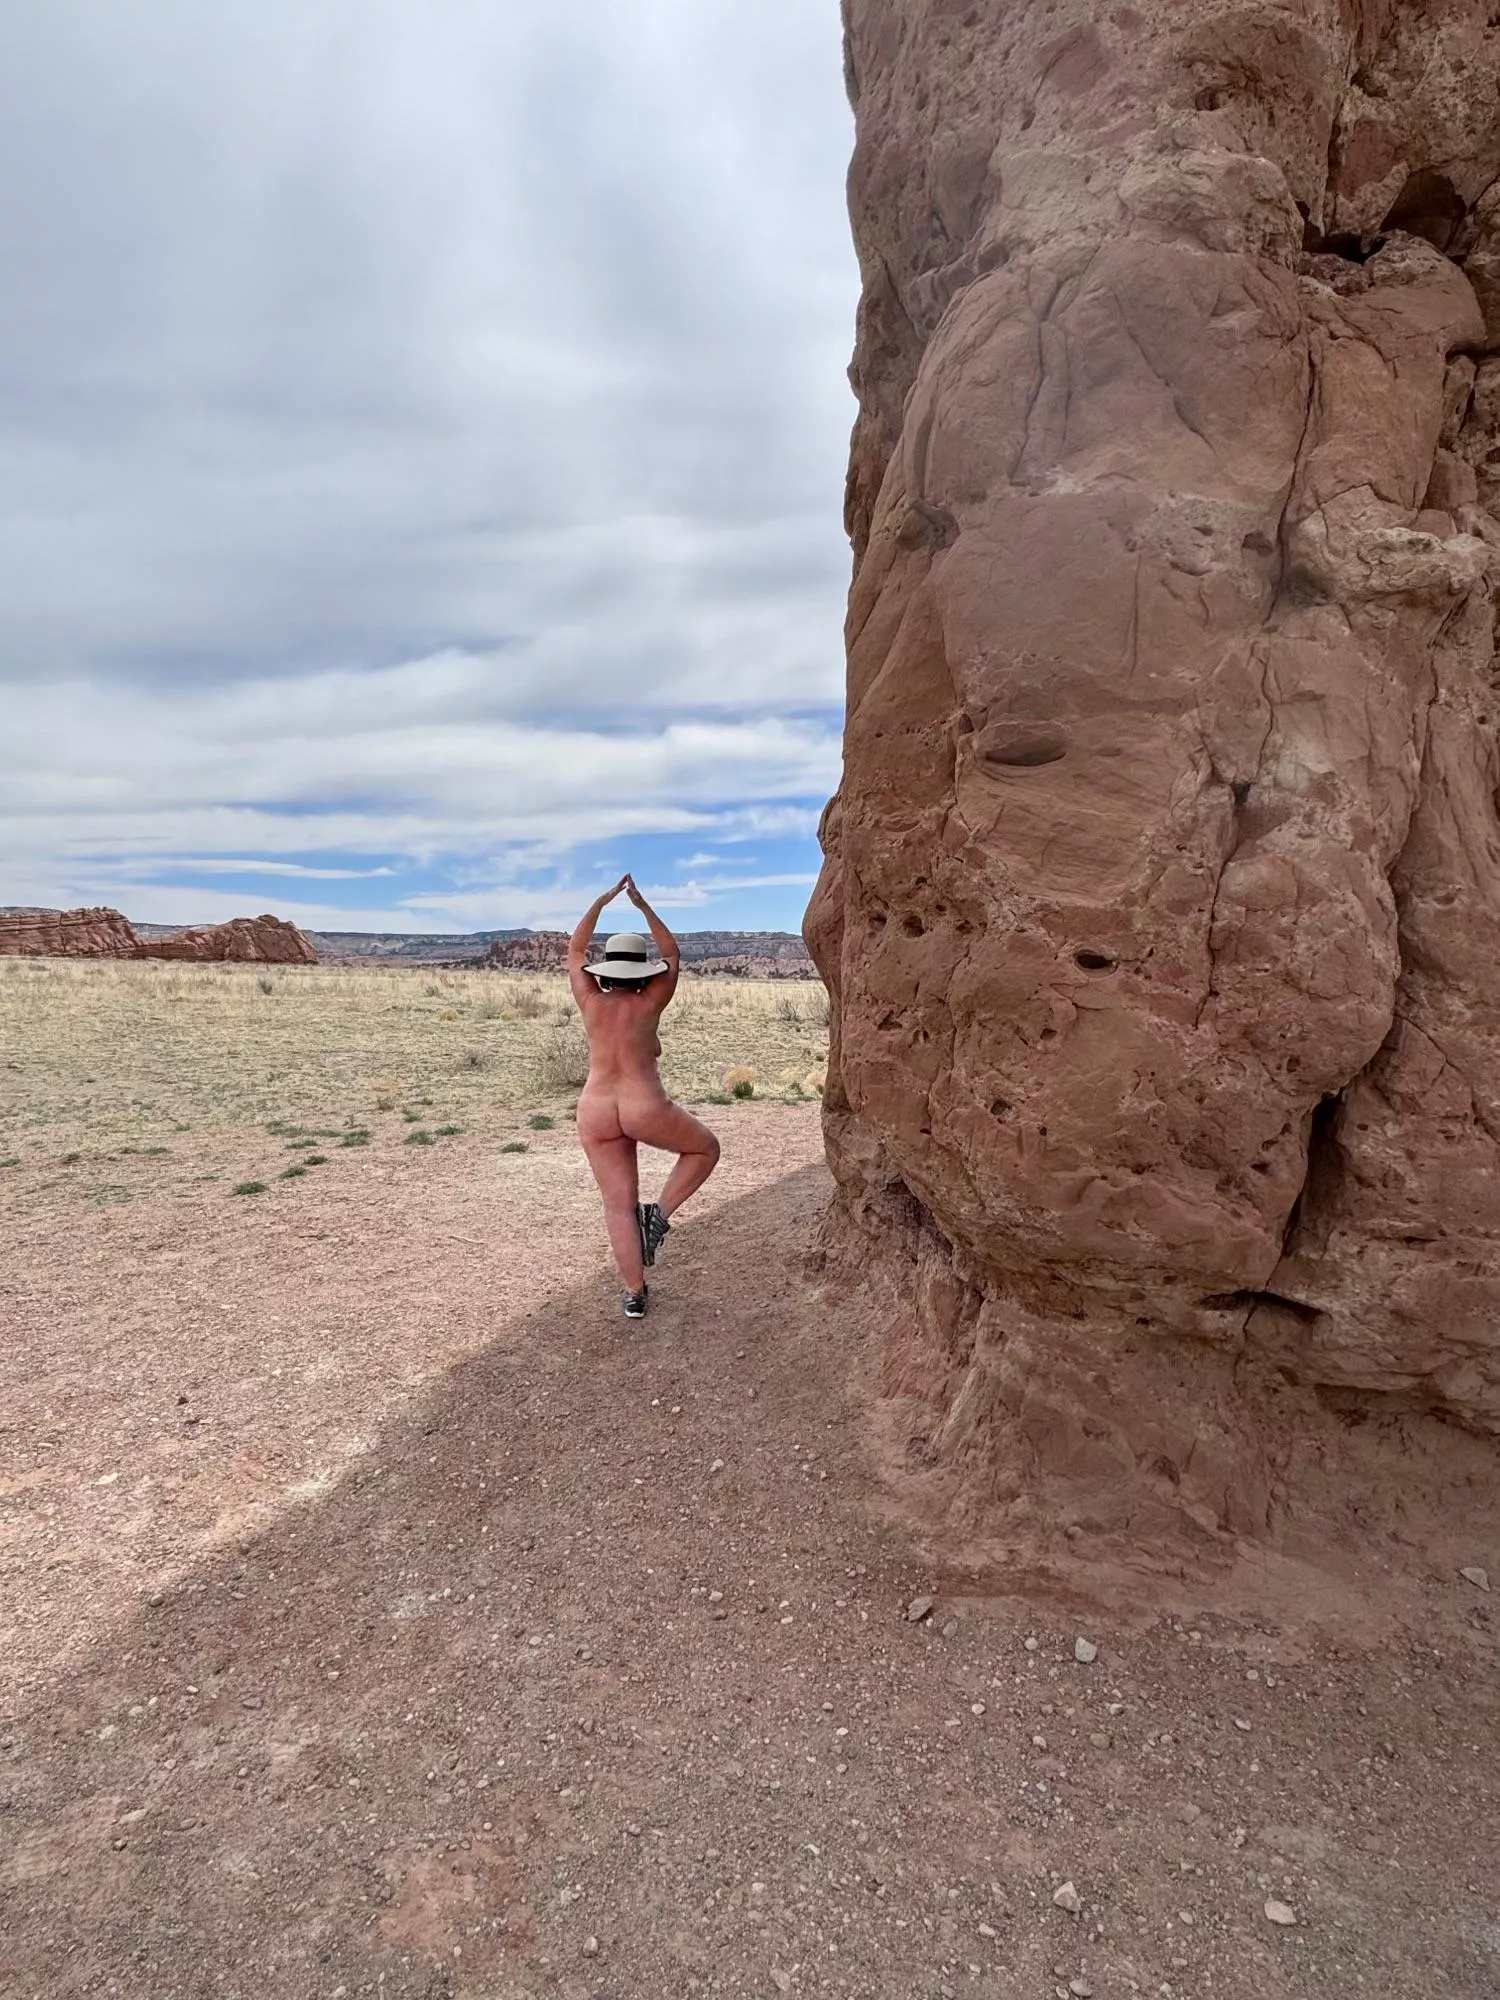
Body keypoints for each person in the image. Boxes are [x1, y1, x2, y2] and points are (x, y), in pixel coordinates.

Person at [568, 874, 721, 1318]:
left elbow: (576, 952)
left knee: (617, 1206)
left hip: (595, 1109)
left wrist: (600, 902)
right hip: (643, 1105)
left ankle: (634, 1295)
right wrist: (642, 905)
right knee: (705, 1149)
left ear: (608, 969)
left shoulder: (590, 1001)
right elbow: (672, 954)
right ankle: (659, 1217)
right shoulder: (651, 999)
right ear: (640, 971)